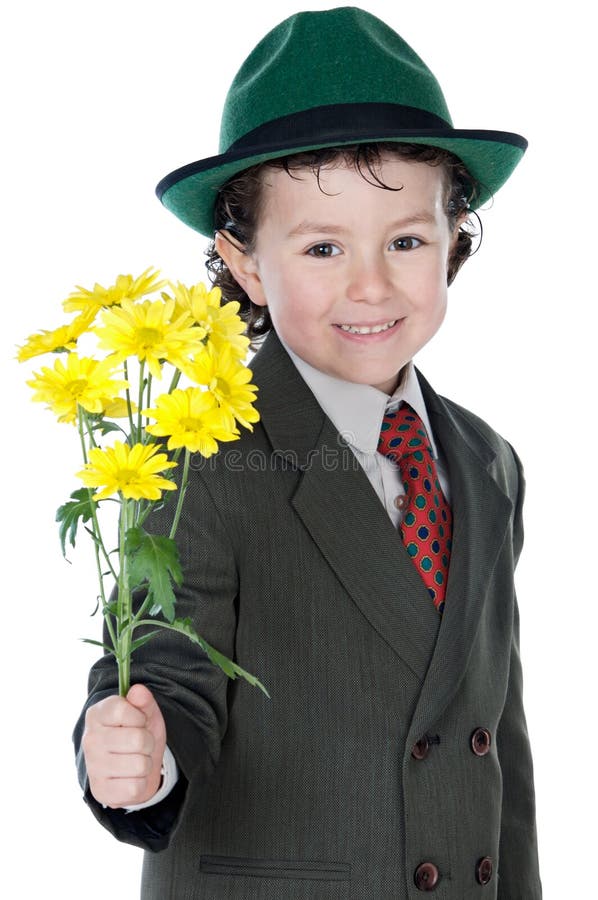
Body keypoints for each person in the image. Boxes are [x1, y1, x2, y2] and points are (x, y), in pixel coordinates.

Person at [74, 7, 542, 898]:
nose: (372, 284)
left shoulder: (488, 460)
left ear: (454, 242)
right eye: (323, 246)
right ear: (246, 264)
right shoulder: (196, 451)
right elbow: (166, 665)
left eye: (407, 240)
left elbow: (495, 737)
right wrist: (139, 756)